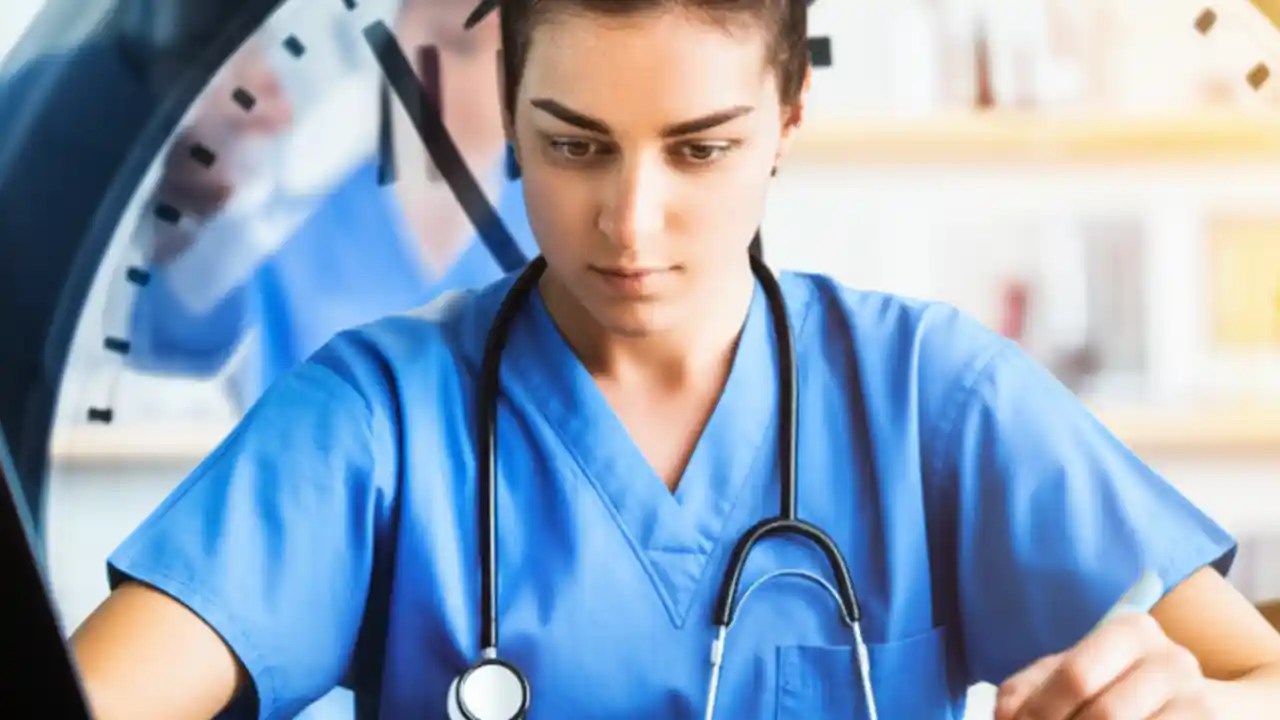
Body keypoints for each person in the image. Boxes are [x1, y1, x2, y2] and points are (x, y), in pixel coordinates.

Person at [70, 0, 1280, 717]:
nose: (630, 225)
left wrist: (1186, 700)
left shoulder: (932, 397)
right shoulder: (376, 415)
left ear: (788, 118)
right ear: (509, 98)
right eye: (573, 146)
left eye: (699, 152)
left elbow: (1252, 674)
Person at [127, 0, 535, 408]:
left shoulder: (562, 220)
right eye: (455, 44)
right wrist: (199, 199)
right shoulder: (301, 193)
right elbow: (171, 339)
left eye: (511, 52)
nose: (487, 82)